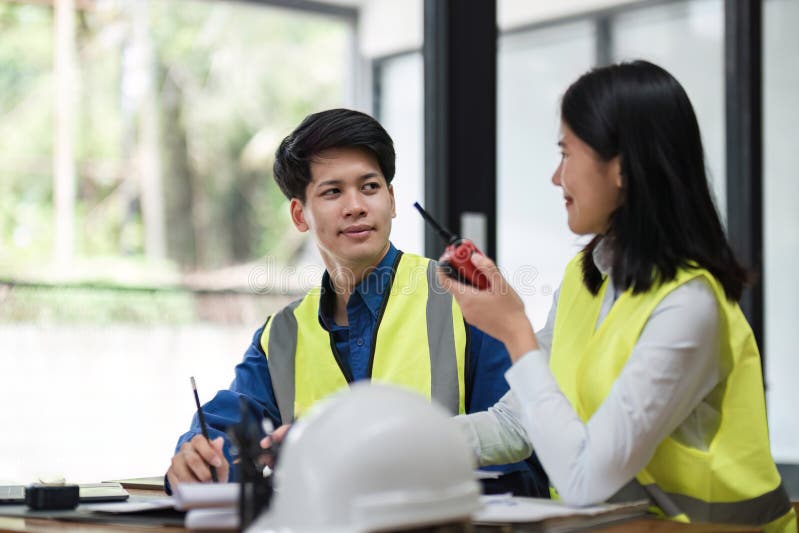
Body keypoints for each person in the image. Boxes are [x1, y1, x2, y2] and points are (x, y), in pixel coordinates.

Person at [444, 61, 796, 532]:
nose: (556, 177)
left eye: (566, 153)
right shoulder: (583, 277)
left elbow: (585, 480)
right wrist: (407, 442)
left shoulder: (689, 305)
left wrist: (514, 331)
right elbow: (517, 423)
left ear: (623, 168)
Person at [166, 108, 547, 497]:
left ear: (392, 200)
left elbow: (520, 465)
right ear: (299, 214)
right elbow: (231, 434)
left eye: (369, 187)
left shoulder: (468, 303)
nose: (356, 206)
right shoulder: (280, 337)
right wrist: (199, 459)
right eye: (333, 192)